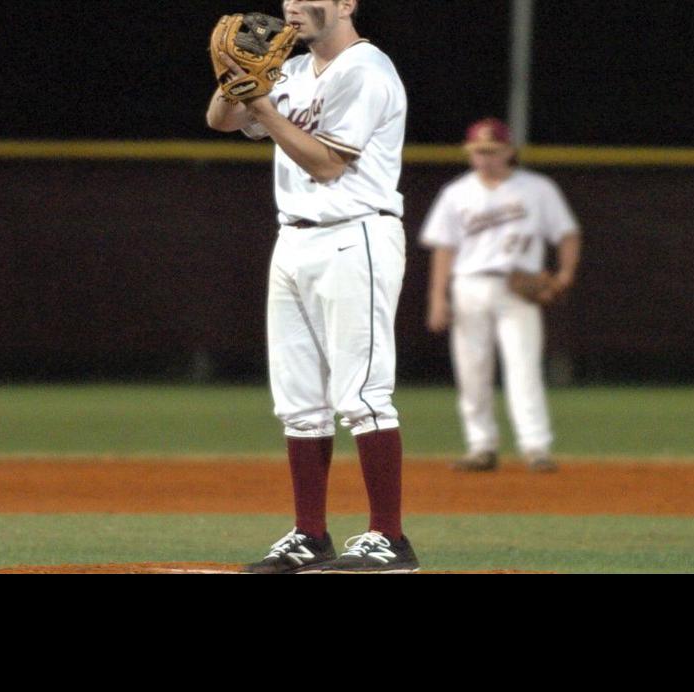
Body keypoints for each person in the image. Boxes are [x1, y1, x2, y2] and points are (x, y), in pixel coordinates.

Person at [206, 0, 416, 573]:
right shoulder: (292, 72)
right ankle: (309, 535)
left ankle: (389, 539)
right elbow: (220, 122)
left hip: (356, 235)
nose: (295, 7)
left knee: (364, 396)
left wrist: (264, 106)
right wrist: (236, 80)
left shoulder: (367, 70)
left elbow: (327, 165)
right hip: (294, 240)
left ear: (346, 3)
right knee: (300, 404)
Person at [420, 118, 582, 472]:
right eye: (478, 151)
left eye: (492, 151)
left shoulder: (537, 189)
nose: (484, 157)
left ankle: (536, 447)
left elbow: (567, 234)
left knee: (523, 368)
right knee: (472, 370)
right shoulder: (456, 192)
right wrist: (437, 298)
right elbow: (443, 249)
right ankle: (481, 446)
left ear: (509, 151)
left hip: (518, 289)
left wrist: (565, 275)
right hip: (468, 286)